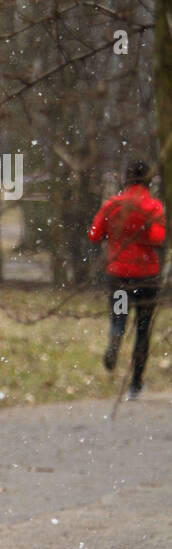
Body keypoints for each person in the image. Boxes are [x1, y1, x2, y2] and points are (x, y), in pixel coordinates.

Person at [88, 160, 166, 400]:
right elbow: (158, 238)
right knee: (143, 329)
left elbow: (94, 234)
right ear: (148, 181)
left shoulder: (112, 205)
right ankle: (135, 383)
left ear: (126, 178)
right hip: (146, 279)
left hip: (119, 276)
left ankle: (116, 337)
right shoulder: (153, 207)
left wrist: (114, 238)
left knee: (119, 317)